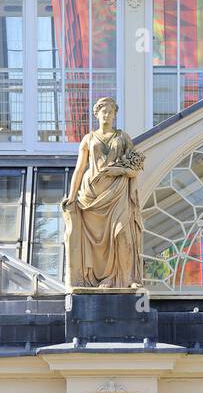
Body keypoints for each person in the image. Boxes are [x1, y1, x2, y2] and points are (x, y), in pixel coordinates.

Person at [62, 97, 145, 289]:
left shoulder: (123, 138)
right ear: (97, 114)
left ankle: (125, 278)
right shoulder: (89, 139)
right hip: (91, 195)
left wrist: (119, 171)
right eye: (103, 112)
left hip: (117, 193)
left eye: (110, 112)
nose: (107, 115)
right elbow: (79, 168)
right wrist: (72, 196)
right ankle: (101, 279)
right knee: (94, 243)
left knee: (122, 235)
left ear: (115, 115)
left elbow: (134, 169)